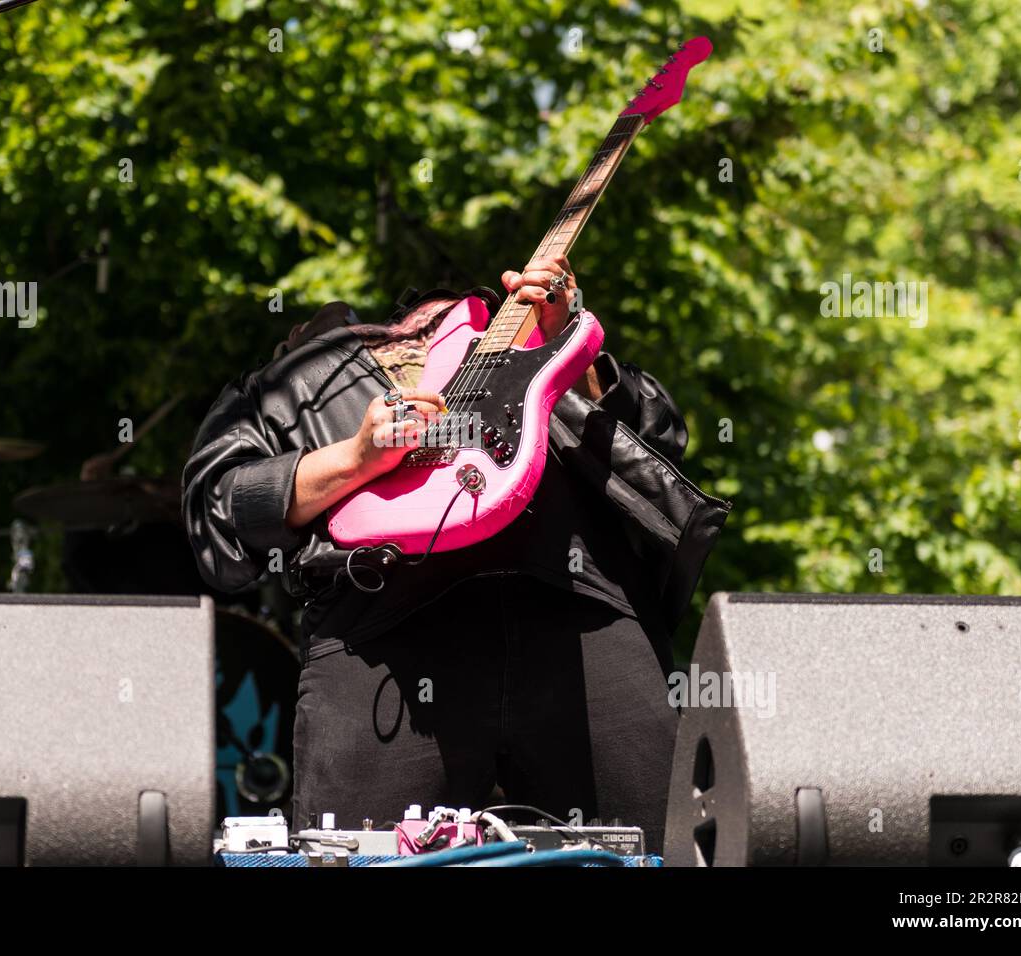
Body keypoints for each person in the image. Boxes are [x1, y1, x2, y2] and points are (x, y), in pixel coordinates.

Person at [183, 255, 700, 850]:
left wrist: (570, 343)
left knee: (649, 849)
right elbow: (216, 513)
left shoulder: (533, 350)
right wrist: (354, 458)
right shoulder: (291, 382)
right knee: (359, 854)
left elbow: (659, 447)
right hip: (384, 634)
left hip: (580, 610)